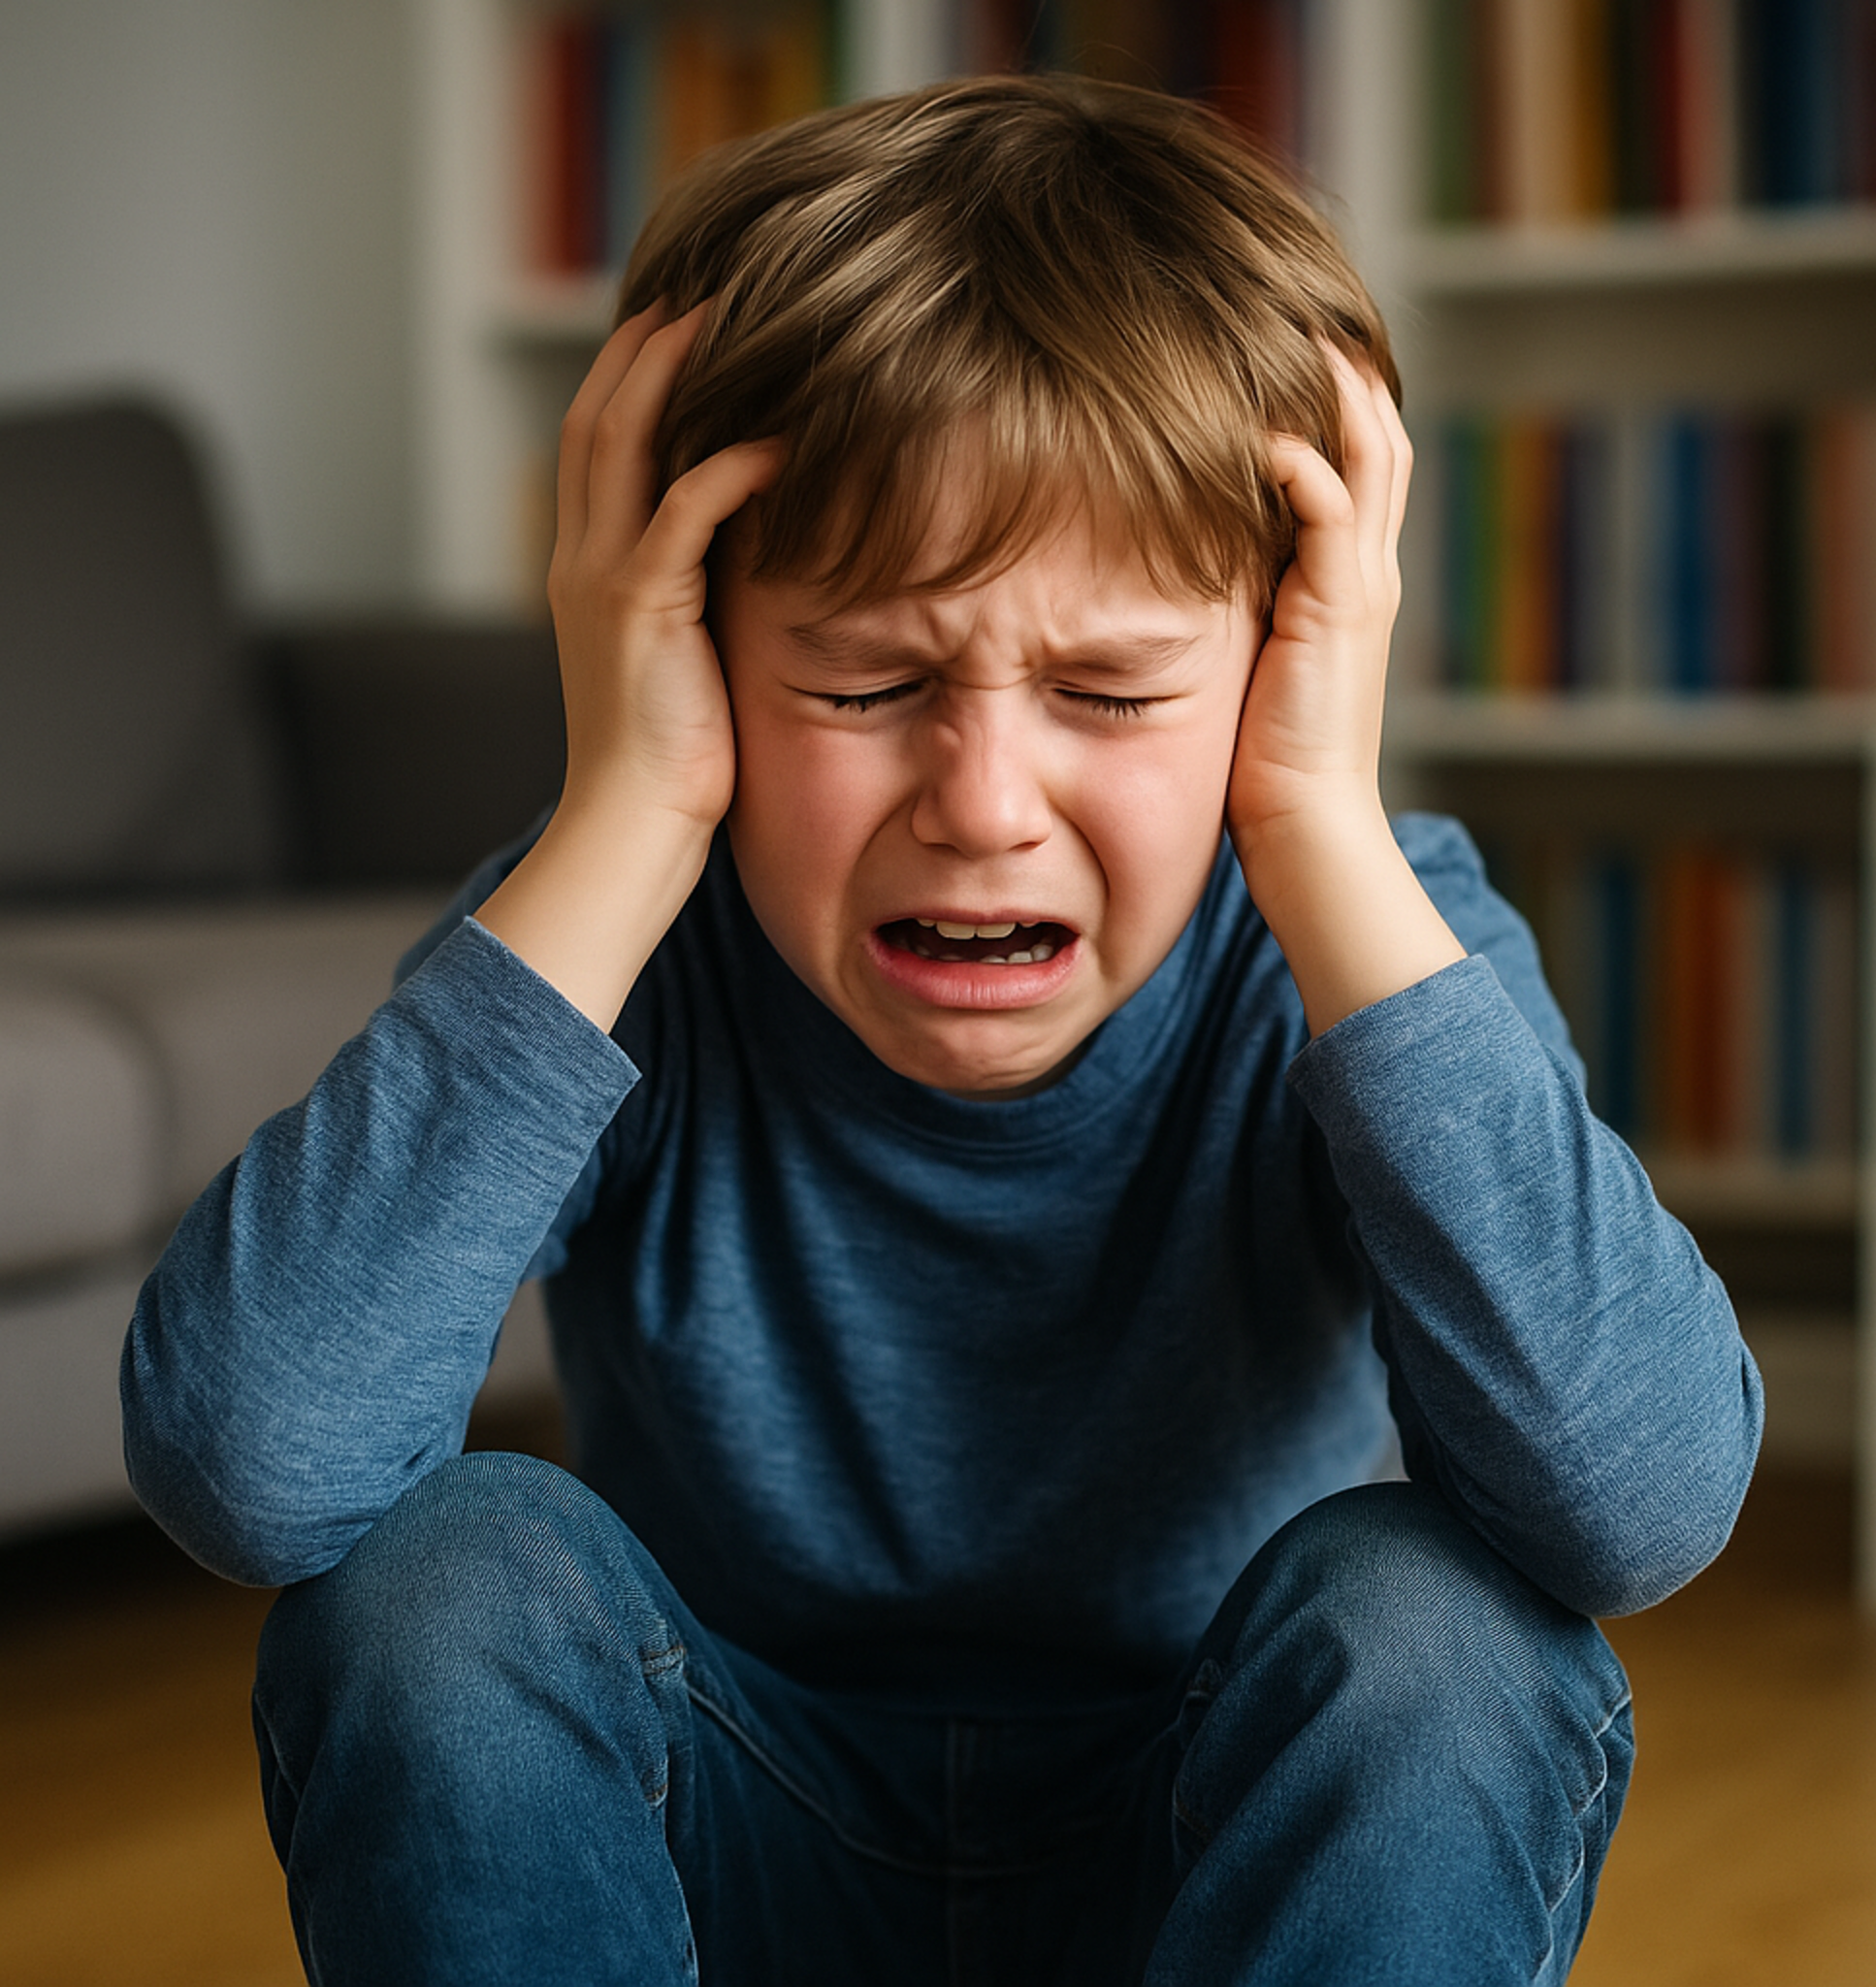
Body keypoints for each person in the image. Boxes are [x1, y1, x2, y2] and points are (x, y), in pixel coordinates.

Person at [122, 73, 1762, 1987]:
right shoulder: (618, 936)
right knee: (434, 1577)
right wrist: (625, 812)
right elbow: (253, 1462)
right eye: (863, 681)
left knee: (1437, 1618)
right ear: (688, 640)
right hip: (713, 1878)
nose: (983, 804)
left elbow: (1635, 1510)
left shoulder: (1353, 933)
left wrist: (1318, 815)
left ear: (1284, 663)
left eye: (1112, 690)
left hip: (1211, 1884)